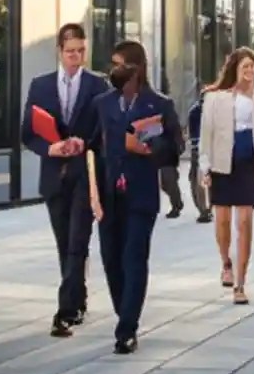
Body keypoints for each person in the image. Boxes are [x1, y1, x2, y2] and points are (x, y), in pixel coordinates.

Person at [89, 40, 181, 354]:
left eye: (119, 64)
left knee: (134, 257)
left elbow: (175, 147)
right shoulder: (102, 103)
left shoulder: (160, 104)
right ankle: (124, 310)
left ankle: (127, 328)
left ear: (136, 68)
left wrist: (146, 146)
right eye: (111, 64)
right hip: (108, 194)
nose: (113, 70)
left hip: (141, 194)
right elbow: (91, 147)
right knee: (111, 261)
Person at [20, 23, 109, 338]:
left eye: (81, 51)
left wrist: (85, 143)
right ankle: (78, 297)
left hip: (85, 175)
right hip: (54, 176)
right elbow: (27, 133)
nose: (76, 57)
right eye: (71, 52)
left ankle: (66, 311)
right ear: (60, 51)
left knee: (78, 241)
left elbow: (105, 130)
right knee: (64, 243)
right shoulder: (40, 86)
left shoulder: (99, 85)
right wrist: (51, 148)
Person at [199, 47, 254, 305]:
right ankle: (226, 262)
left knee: (244, 223)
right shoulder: (216, 98)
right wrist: (204, 167)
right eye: (245, 66)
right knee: (222, 221)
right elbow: (206, 134)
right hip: (221, 163)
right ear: (235, 69)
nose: (250, 71)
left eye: (253, 66)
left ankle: (241, 284)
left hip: (247, 165)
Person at [186, 92, 213, 223]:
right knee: (199, 179)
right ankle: (205, 209)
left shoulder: (197, 111)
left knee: (199, 179)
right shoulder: (196, 112)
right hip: (202, 149)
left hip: (206, 149)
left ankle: (206, 209)